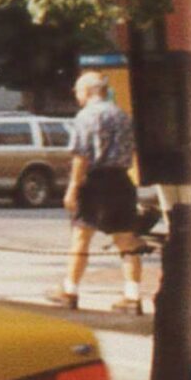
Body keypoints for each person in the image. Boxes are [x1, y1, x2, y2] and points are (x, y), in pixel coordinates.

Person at [49, 70, 146, 314]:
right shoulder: (122, 115)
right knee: (126, 239)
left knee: (81, 237)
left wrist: (72, 188)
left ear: (89, 90)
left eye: (78, 90)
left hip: (95, 182)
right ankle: (132, 297)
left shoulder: (86, 116)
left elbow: (81, 155)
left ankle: (69, 291)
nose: (77, 95)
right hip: (122, 181)